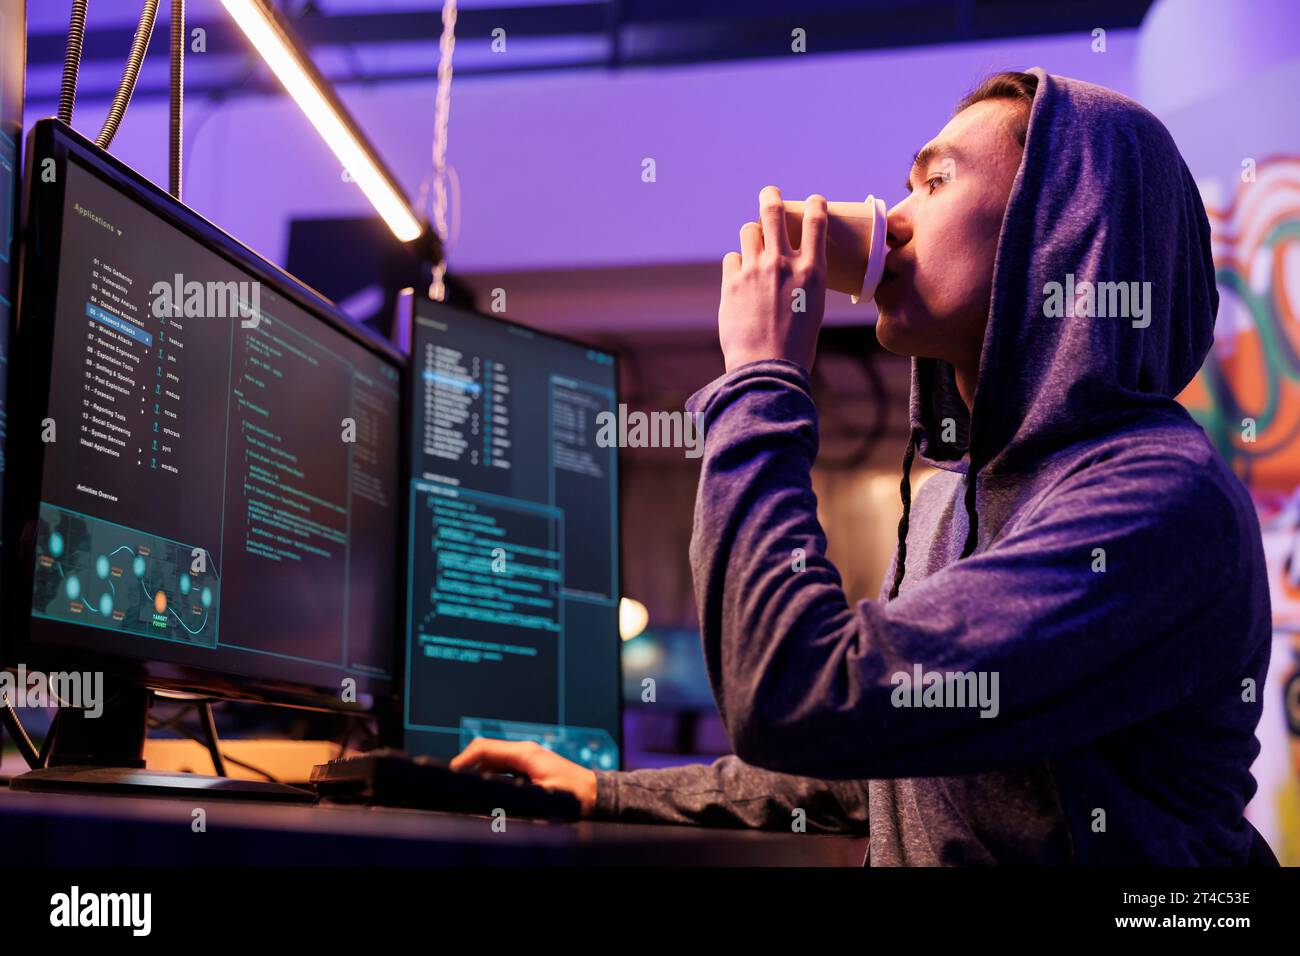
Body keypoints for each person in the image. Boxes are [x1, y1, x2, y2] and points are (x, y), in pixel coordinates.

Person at [453, 69, 1276, 865]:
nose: (896, 220)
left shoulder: (1155, 499)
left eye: (936, 181)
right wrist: (608, 794)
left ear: (1062, 228)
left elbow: (795, 697)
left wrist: (763, 381)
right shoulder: (959, 501)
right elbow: (886, 767)